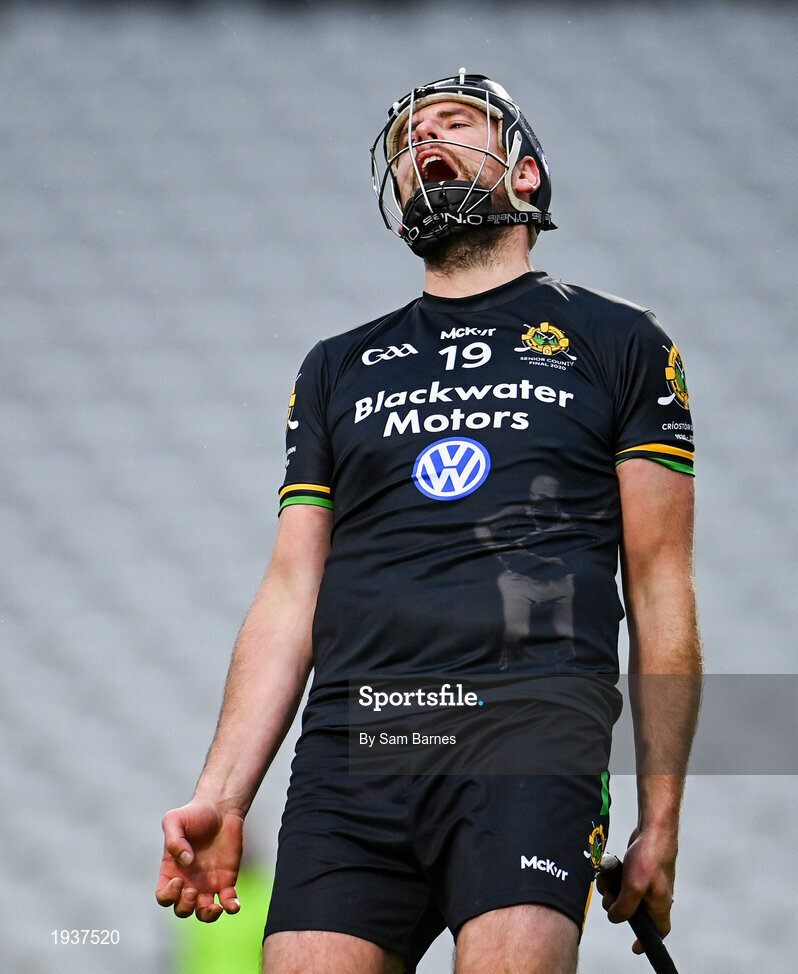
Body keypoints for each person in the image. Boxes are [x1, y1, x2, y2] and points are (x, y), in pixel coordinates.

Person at [156, 70, 702, 974]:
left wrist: (662, 820)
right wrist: (222, 797)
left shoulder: (624, 344)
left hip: (532, 729)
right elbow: (292, 590)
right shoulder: (338, 366)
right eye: (408, 143)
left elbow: (659, 584)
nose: (422, 146)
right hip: (357, 739)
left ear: (525, 174)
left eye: (451, 125)